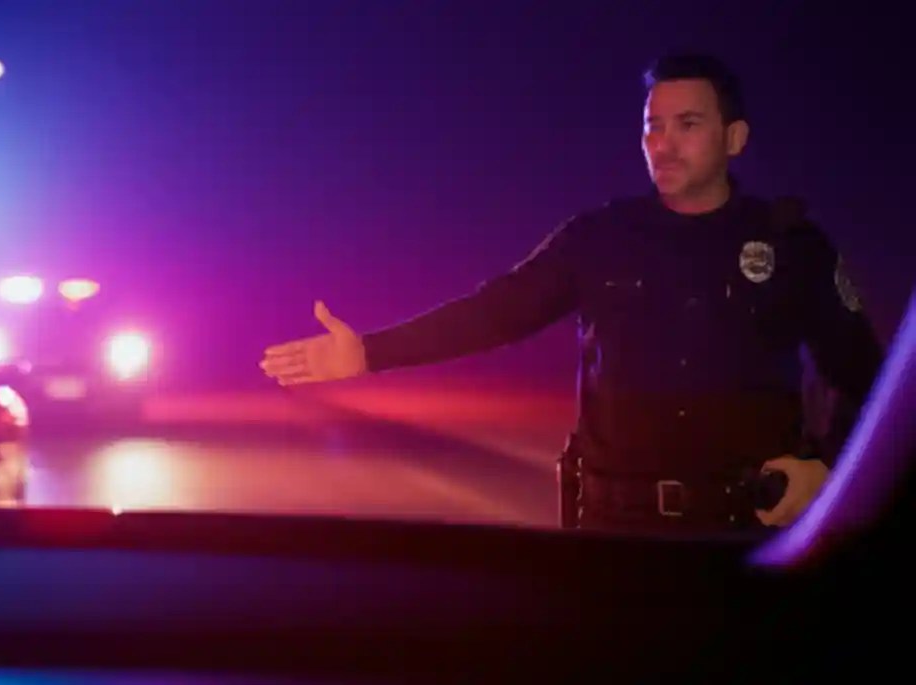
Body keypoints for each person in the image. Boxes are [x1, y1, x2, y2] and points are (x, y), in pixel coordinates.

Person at [259, 53, 884, 534]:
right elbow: (493, 313)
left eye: (688, 125)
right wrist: (370, 352)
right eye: (652, 127)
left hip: (747, 533)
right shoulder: (599, 238)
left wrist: (828, 468)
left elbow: (867, 380)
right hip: (614, 537)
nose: (662, 143)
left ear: (735, 138)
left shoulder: (792, 247)